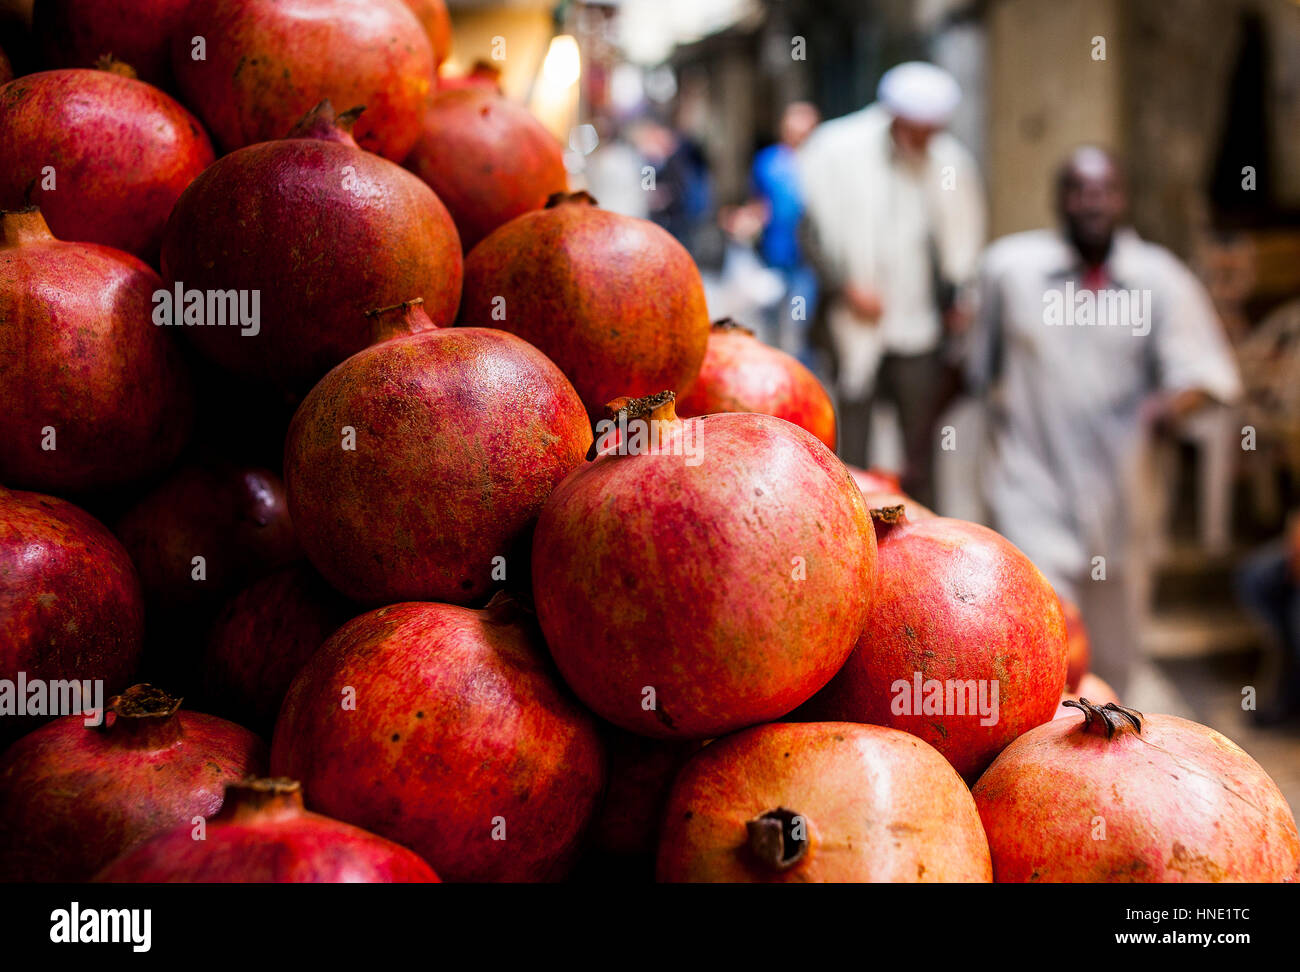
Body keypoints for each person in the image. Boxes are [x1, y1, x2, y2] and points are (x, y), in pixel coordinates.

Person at [967, 146, 1242, 696]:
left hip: (1122, 497)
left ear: (1122, 198)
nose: (1091, 203)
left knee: (1113, 664)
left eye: (1104, 191)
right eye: (1077, 190)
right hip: (1031, 488)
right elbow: (975, 368)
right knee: (1039, 643)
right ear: (1058, 200)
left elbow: (1208, 376)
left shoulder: (1159, 280)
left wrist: (1168, 405)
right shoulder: (1010, 271)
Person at [799, 62, 985, 506]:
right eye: (918, 129)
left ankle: (927, 547)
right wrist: (846, 287)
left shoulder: (949, 163)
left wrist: (959, 298)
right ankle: (853, 531)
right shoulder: (837, 150)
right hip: (855, 322)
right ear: (897, 119)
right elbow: (811, 233)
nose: (924, 139)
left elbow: (961, 243)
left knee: (921, 447)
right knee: (852, 447)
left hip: (918, 326)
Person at [750, 102, 820, 364]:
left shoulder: (822, 164)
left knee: (800, 327)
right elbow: (760, 202)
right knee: (770, 325)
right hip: (773, 255)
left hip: (807, 261)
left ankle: (801, 376)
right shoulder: (768, 162)